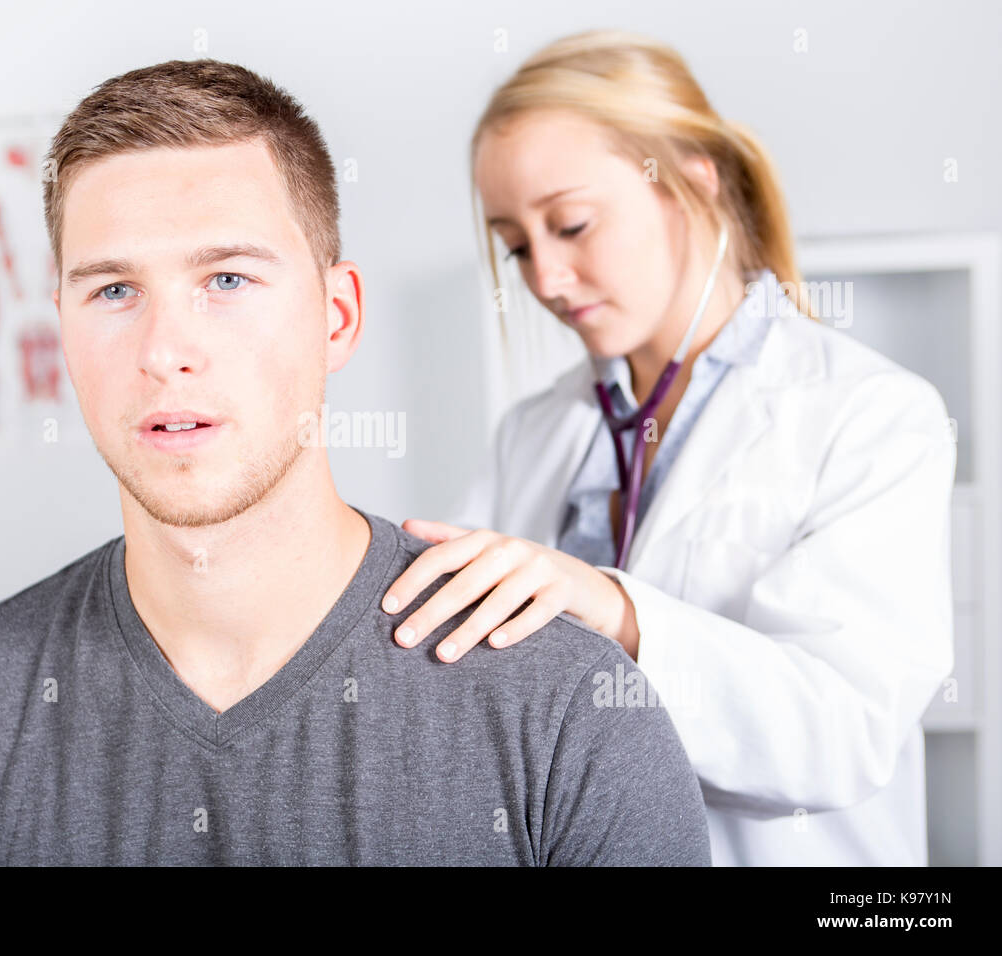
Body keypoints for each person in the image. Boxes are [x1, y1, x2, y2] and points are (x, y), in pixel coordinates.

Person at [0, 58, 710, 866]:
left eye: (226, 280)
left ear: (336, 319)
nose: (164, 351)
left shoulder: (570, 715)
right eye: (113, 290)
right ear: (63, 330)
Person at [382, 31, 956, 866]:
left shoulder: (869, 413)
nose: (543, 277)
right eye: (516, 244)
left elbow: (844, 735)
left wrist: (613, 609)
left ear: (692, 177)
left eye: (572, 224)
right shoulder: (537, 433)